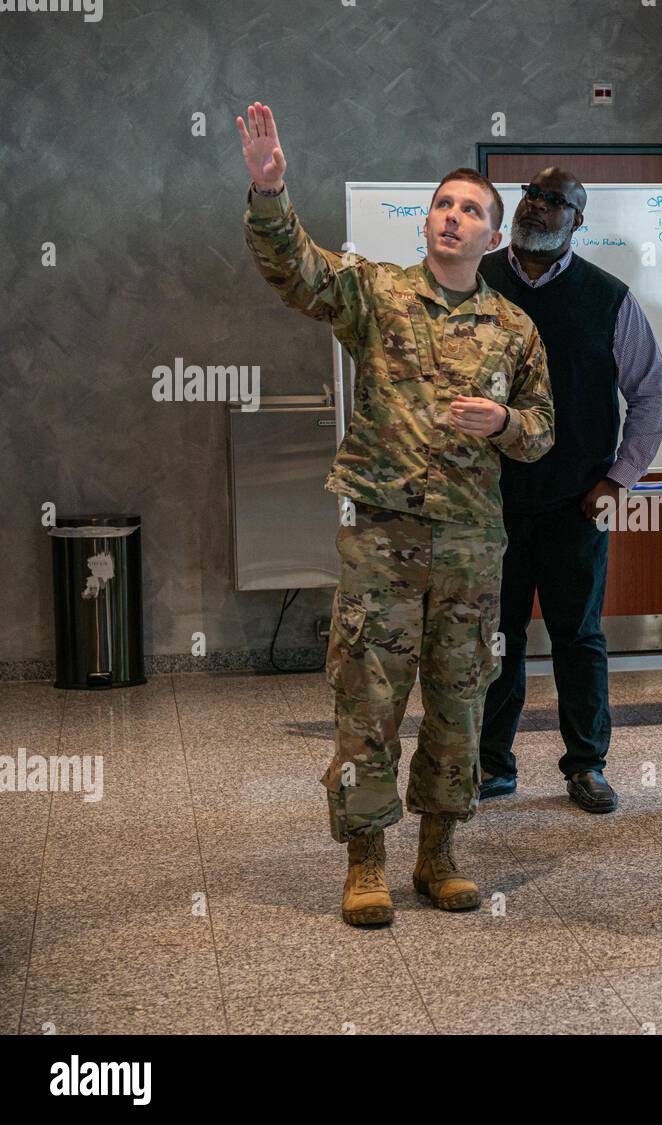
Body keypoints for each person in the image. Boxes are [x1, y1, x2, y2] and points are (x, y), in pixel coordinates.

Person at [238, 103, 554, 926]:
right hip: (383, 539)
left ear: (493, 238)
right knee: (368, 698)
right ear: (428, 222)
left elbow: (544, 431)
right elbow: (295, 271)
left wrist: (506, 424)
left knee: (460, 700)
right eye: (443, 205)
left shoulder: (515, 329)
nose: (453, 218)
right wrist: (271, 190)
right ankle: (366, 858)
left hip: (470, 547)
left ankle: (440, 854)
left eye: (471, 211)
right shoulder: (376, 292)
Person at [476, 169, 662, 814]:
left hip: (575, 504)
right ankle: (491, 764)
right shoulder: (474, 283)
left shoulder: (609, 299)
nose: (540, 205)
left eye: (557, 200)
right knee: (493, 636)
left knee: (578, 636)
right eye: (532, 193)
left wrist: (619, 480)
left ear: (577, 222)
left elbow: (651, 398)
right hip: (486, 504)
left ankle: (586, 764)